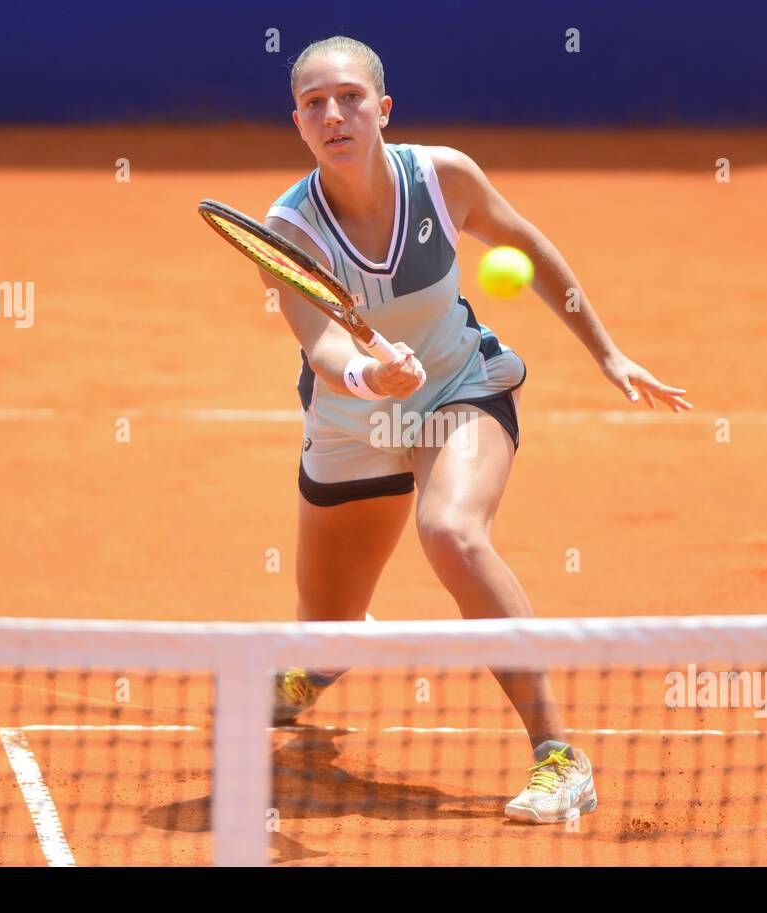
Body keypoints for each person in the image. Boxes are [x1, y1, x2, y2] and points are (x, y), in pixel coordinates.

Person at [260, 36, 691, 823]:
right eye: (315, 104)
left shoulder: (444, 177)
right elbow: (320, 344)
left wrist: (609, 353)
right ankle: (328, 652)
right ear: (298, 123)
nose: (334, 114)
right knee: (325, 617)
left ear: (382, 108)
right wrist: (367, 375)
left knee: (452, 532)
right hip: (352, 422)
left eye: (350, 97)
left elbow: (528, 246)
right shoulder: (288, 229)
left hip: (459, 390)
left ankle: (560, 757)